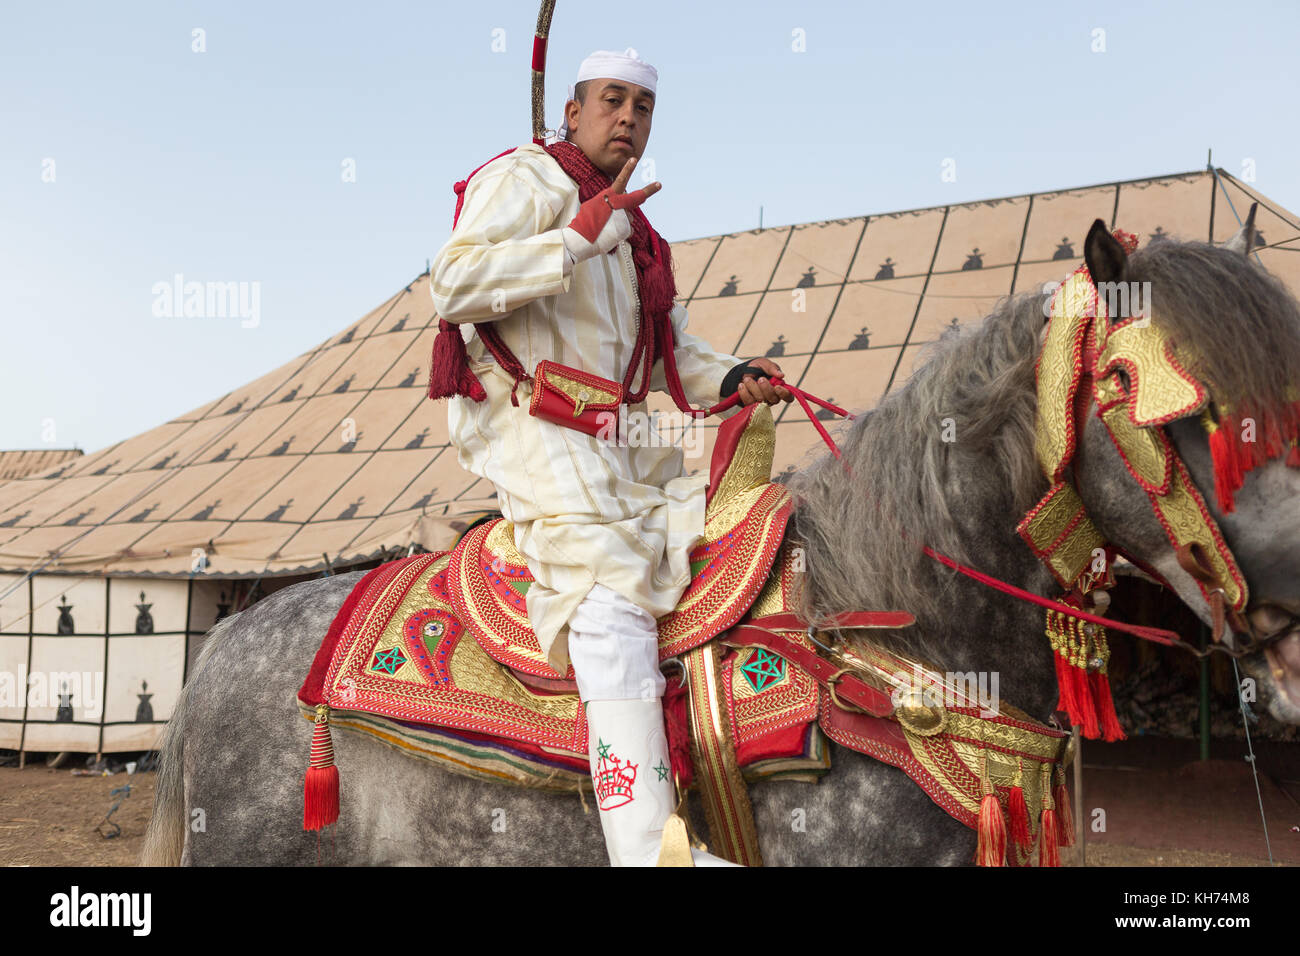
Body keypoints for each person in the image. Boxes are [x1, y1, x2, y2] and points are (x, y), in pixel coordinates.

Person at [429, 48, 791, 866]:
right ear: (573, 108)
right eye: (613, 101)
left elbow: (669, 351)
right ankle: (648, 851)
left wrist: (733, 375)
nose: (629, 117)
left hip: (628, 443)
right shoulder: (523, 178)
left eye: (643, 107)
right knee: (608, 595)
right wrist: (574, 237)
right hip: (541, 434)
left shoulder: (636, 228)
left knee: (736, 541)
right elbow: (452, 285)